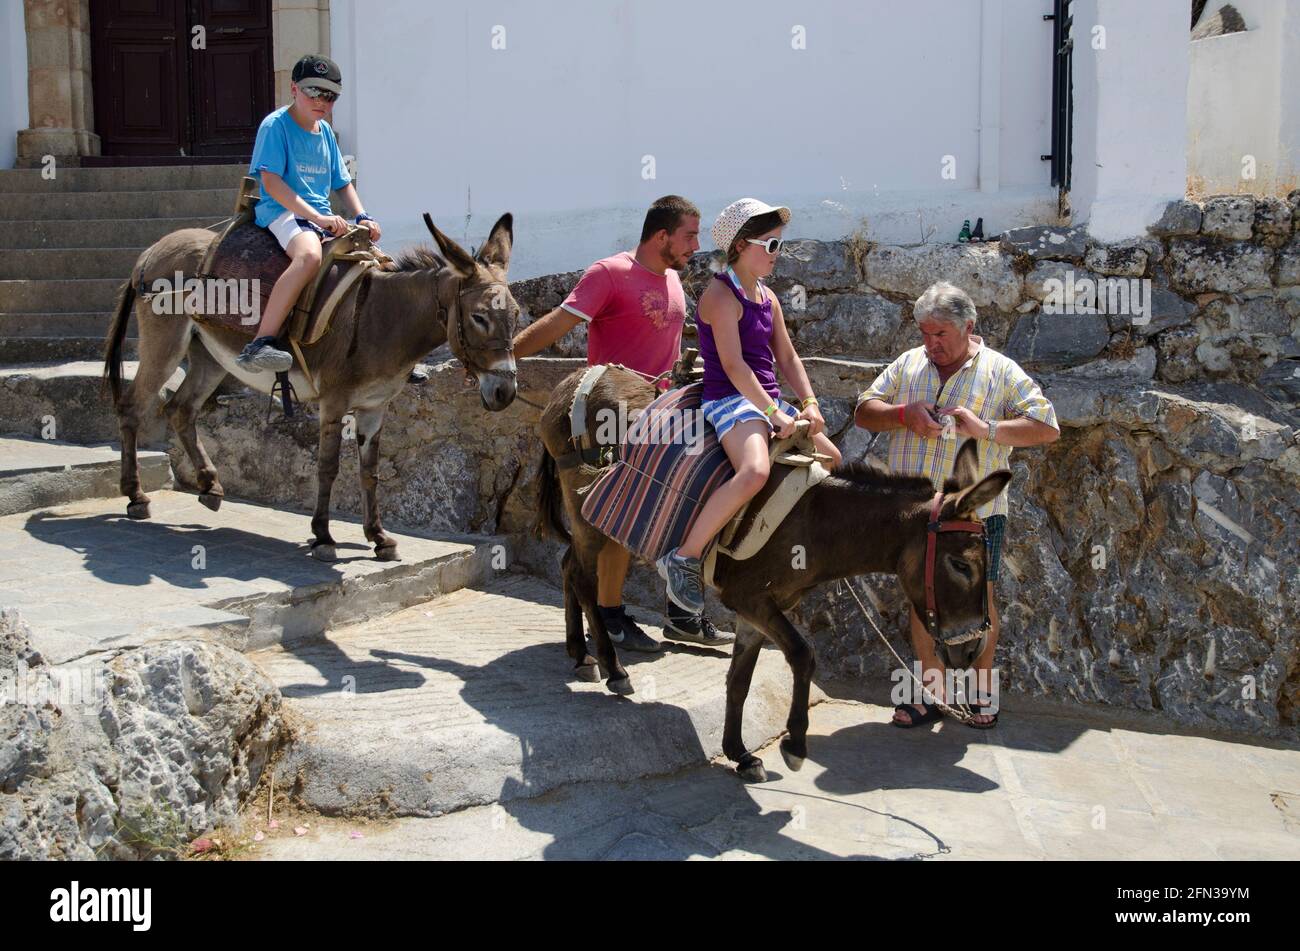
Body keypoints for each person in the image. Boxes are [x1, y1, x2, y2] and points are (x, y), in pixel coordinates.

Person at [514, 195, 734, 650]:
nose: (697, 243)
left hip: (663, 413)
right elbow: (559, 323)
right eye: (689, 234)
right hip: (608, 415)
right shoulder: (608, 273)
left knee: (688, 505)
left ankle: (681, 614)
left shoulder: (674, 279)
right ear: (661, 236)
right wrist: (503, 356)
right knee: (615, 520)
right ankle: (610, 617)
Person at [853, 280, 1060, 728]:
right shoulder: (908, 364)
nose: (931, 344)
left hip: (975, 516)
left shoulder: (1001, 371)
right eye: (925, 333)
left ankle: (981, 691)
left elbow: (1046, 428)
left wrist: (985, 429)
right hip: (914, 514)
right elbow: (864, 410)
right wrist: (902, 414)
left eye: (941, 334)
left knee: (977, 599)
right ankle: (932, 693)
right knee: (919, 597)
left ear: (969, 326)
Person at [656, 198, 842, 615]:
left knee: (833, 459)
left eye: (780, 245)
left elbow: (789, 359)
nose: (778, 254)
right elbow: (735, 367)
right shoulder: (720, 296)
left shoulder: (768, 298)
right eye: (771, 245)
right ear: (740, 245)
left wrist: (808, 403)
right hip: (730, 402)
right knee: (755, 470)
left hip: (767, 401)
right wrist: (775, 414)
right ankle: (684, 557)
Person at [236, 54, 380, 372]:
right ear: (294, 89)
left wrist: (363, 217)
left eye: (329, 95)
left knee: (380, 263)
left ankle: (387, 350)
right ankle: (261, 343)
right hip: (282, 211)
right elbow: (271, 184)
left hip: (322, 217)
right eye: (313, 92)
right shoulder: (275, 126)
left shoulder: (325, 133)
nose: (321, 101)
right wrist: (317, 218)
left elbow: (343, 183)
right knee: (309, 258)